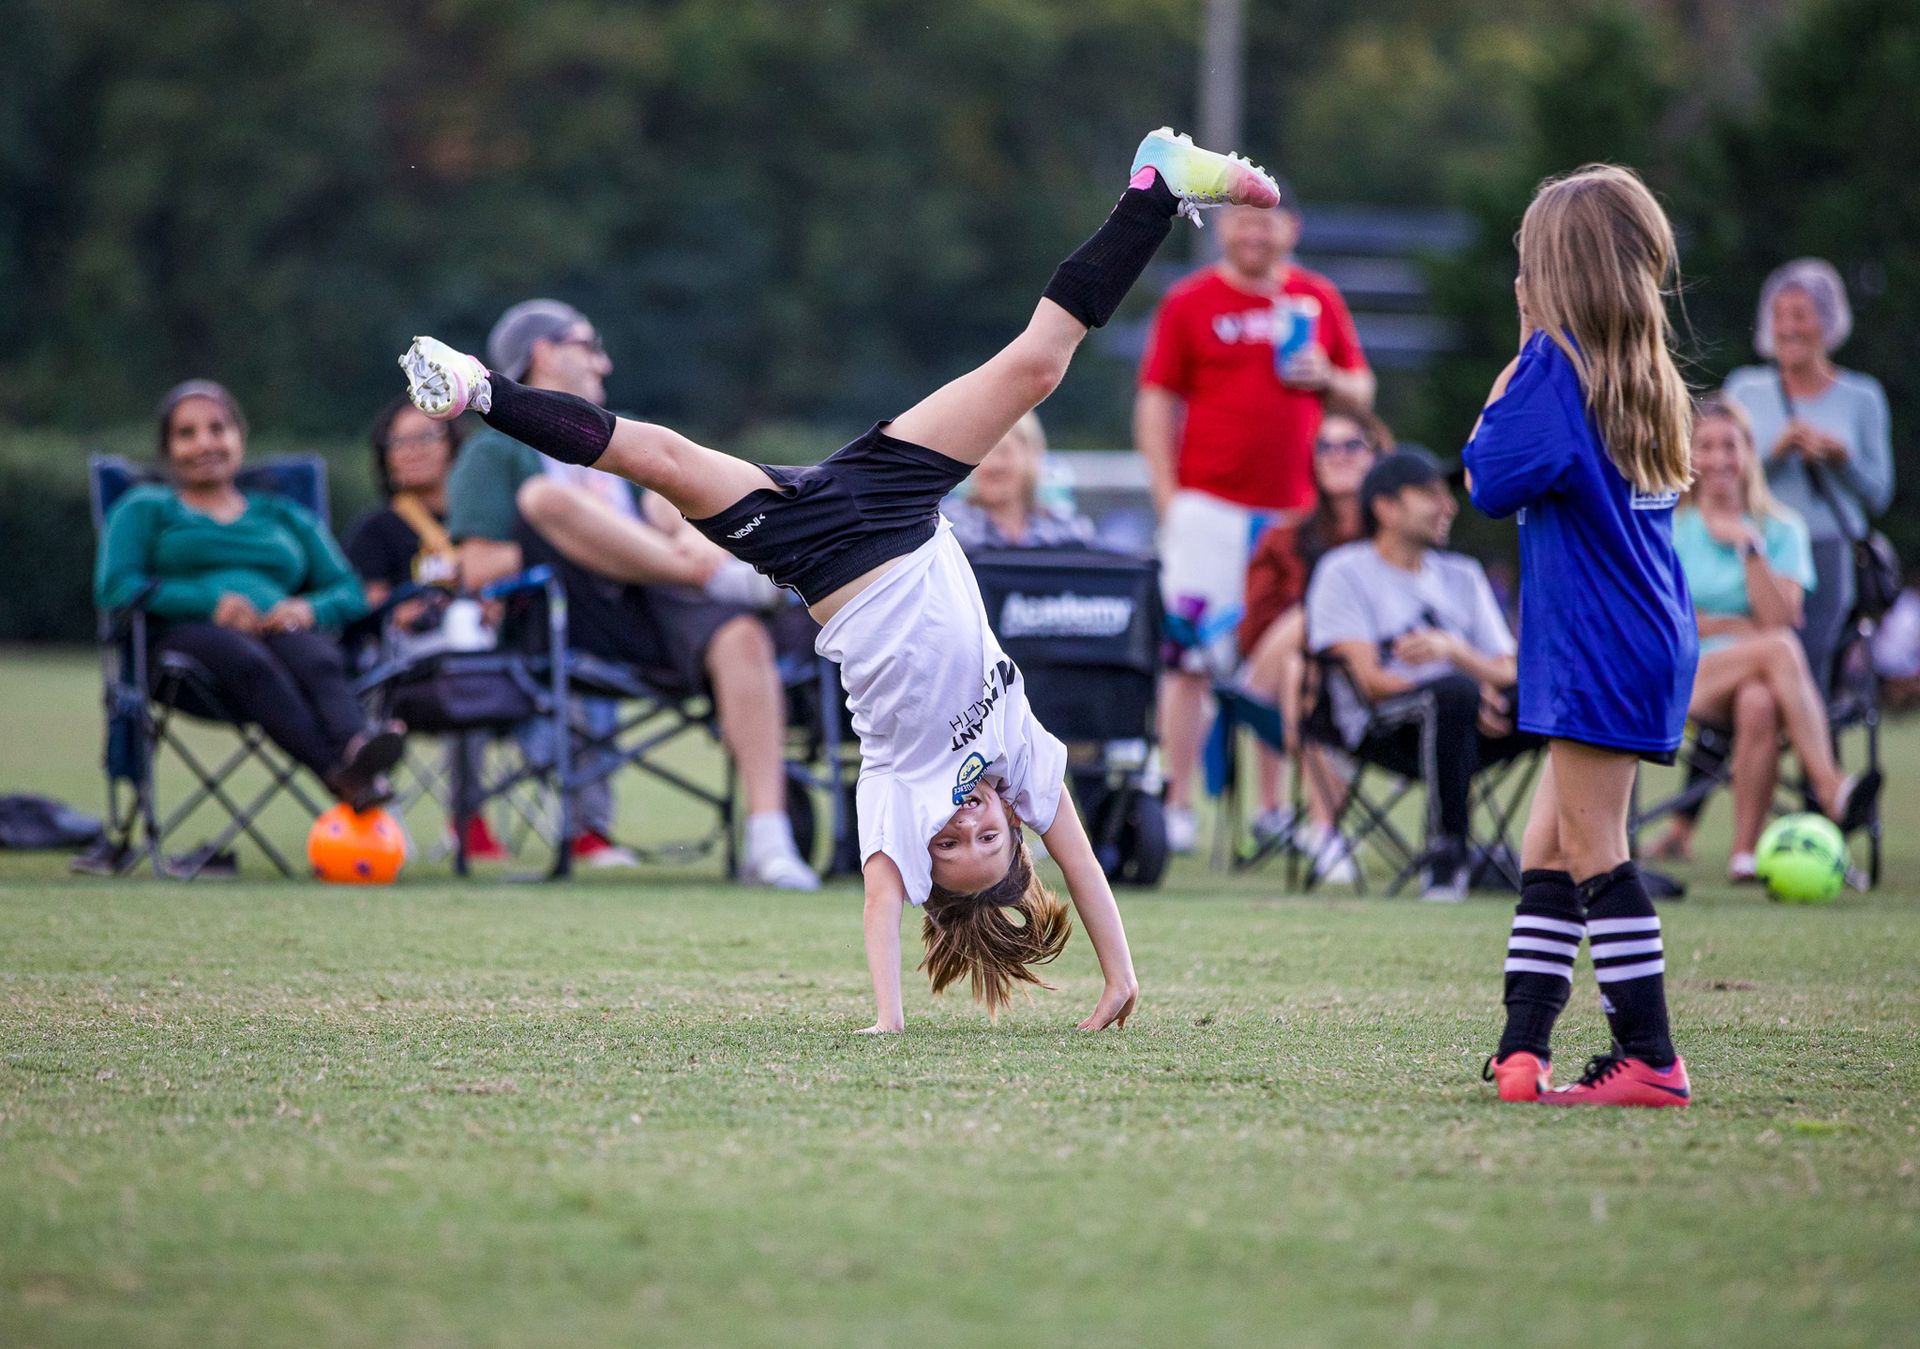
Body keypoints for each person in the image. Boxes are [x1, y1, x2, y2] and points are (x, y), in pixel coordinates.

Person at [399, 127, 1280, 1029]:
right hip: (901, 499)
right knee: (1039, 364)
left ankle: (478, 392)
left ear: (925, 851)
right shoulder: (1022, 759)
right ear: (1017, 829)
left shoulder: (900, 795)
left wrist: (888, 1019)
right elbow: (1086, 867)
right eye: (989, 837)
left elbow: (879, 907)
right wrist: (1119, 972)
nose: (971, 822)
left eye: (955, 842)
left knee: (659, 457)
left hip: (812, 548)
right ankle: (1155, 190)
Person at [1465, 165, 1701, 1107]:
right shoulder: (1641, 368)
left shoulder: (1554, 370)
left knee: (1596, 846)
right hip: (1642, 634)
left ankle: (1650, 1056)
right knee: (1551, 842)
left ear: (1551, 276)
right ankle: (1521, 1050)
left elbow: (1487, 476)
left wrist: (1519, 348)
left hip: (1597, 645)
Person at [445, 299, 817, 887]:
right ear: (543, 353)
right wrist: (583, 538)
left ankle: (770, 843)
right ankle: (721, 575)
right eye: (589, 344)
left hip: (661, 598)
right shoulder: (495, 449)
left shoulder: (616, 429)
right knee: (549, 501)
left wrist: (680, 538)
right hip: (574, 610)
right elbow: (479, 567)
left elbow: (664, 500)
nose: (605, 361)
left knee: (737, 627)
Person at [1135, 181, 1375, 853]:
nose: (1253, 232)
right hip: (1209, 506)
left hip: (1297, 512)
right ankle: (1177, 804)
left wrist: (1326, 376)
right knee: (1187, 656)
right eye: (1241, 219)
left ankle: (1275, 807)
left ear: (1291, 229)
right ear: (1221, 228)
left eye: (1267, 221)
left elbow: (1362, 388)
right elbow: (1157, 399)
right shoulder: (1190, 301)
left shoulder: (1317, 298)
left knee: (1287, 653)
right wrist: (1167, 495)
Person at [96, 380, 402, 811]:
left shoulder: (281, 514)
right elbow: (115, 586)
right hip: (181, 651)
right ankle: (343, 777)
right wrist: (209, 604)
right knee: (248, 657)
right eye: (187, 434)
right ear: (168, 449)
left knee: (315, 657)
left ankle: (358, 753)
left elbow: (349, 591)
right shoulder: (145, 507)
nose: (205, 443)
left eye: (218, 429)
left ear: (240, 437)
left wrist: (306, 607)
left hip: (278, 634)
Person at [1647, 399, 1880, 881]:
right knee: (1777, 652)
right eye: (1705, 446)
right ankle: (1831, 788)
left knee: (1759, 701)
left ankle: (1744, 856)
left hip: (1755, 680)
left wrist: (1748, 546)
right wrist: (1738, 626)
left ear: (1749, 452)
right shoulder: (1667, 528)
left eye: (1729, 446)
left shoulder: (1782, 530)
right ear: (1689, 456)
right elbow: (1671, 622)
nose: (1718, 459)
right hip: (1682, 678)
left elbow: (1780, 617)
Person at [1304, 449, 1532, 901]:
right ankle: (1446, 859)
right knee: (1452, 695)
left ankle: (1571, 859)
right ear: (1385, 507)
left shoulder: (1462, 575)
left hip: (1476, 724)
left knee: (1556, 696)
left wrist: (1455, 654)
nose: (1447, 505)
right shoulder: (1344, 572)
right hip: (1383, 729)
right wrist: (1462, 691)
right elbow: (1368, 681)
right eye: (1429, 494)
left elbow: (1508, 667)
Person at [345, 397, 507, 863]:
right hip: (400, 668)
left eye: (425, 438)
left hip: (480, 657)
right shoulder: (376, 528)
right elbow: (363, 604)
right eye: (398, 442)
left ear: (454, 446)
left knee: (474, 656)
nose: (411, 451)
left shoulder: (482, 521)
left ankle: (473, 817)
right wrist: (401, 610)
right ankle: (378, 812)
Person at [1723, 259, 1894, 692]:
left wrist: (1842, 458)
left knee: (1810, 665)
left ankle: (1814, 749)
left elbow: (1878, 494)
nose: (1788, 328)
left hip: (1829, 550)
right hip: (1757, 550)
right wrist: (1773, 454)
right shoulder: (1745, 389)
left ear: (1827, 321)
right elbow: (1717, 476)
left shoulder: (1862, 396)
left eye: (1800, 315)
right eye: (1779, 316)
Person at [1234, 410, 1390, 867]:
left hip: (1374, 677)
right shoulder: (1284, 539)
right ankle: (1322, 832)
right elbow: (1253, 635)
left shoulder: (1395, 539)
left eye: (1351, 445)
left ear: (1379, 455)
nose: (1336, 456)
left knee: (1309, 662)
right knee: (1306, 643)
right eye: (1325, 446)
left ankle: (1304, 823)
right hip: (1269, 683)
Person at [944, 412, 1095, 552]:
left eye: (1004, 452)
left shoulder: (1068, 532)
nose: (992, 464)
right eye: (983, 453)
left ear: (1032, 455)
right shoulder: (946, 530)